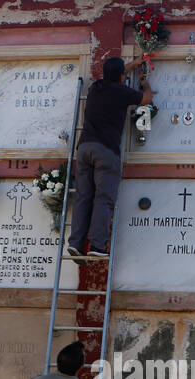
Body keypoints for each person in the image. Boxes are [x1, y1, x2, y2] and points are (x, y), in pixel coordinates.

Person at [67, 55, 152, 260]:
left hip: (85, 147)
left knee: (83, 196)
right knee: (104, 198)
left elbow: (116, 73)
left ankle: (76, 243)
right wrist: (146, 84)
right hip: (106, 150)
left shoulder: (96, 87)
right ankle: (97, 244)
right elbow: (146, 100)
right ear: (122, 76)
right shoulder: (122, 92)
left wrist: (132, 65)